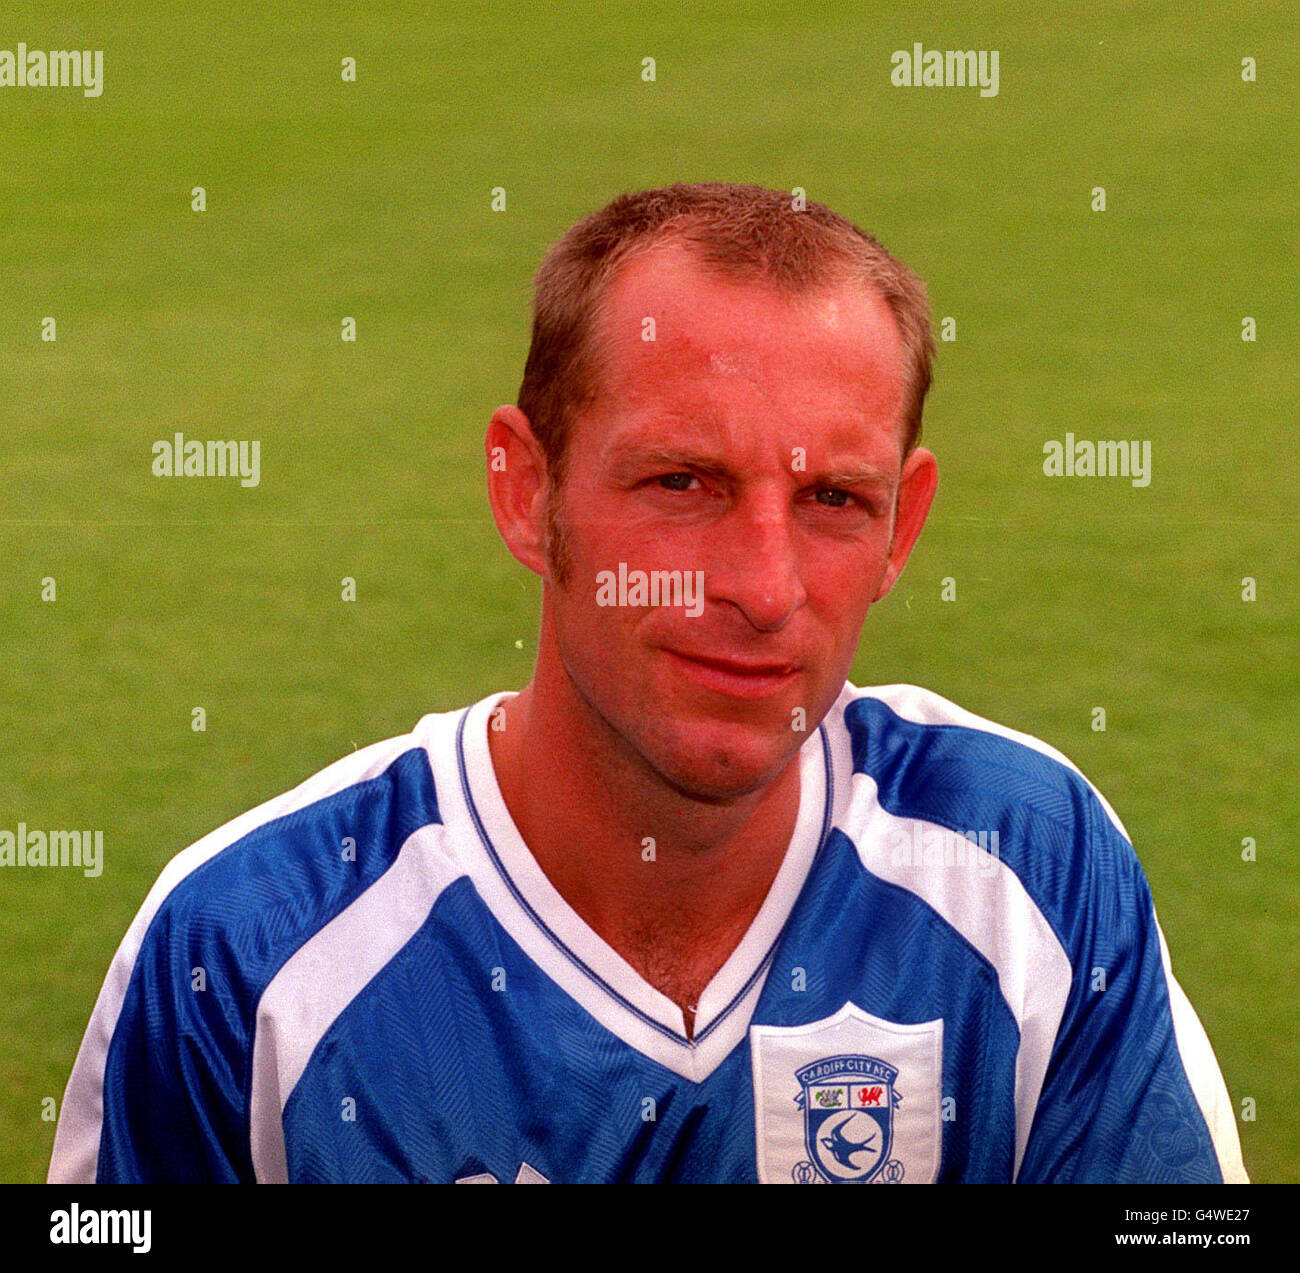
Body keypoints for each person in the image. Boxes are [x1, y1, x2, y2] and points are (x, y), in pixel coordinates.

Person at [49, 183, 1246, 1184]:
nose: (765, 587)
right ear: (528, 491)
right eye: (683, 482)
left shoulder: (1027, 873)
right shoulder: (246, 957)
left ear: (903, 525)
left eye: (834, 499)